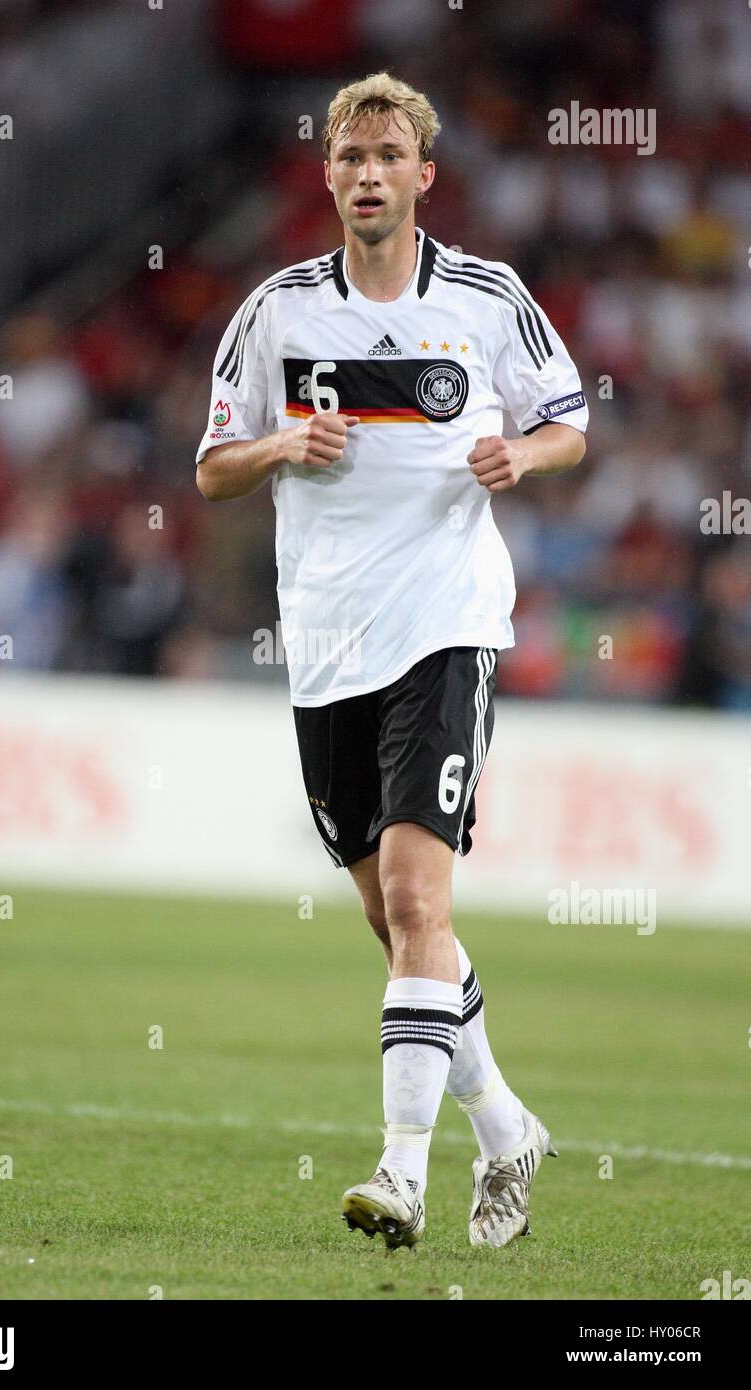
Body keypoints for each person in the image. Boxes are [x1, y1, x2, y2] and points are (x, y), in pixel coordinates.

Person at [195, 71, 587, 1251]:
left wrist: (525, 456)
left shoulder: (485, 296)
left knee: (421, 899)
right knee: (396, 926)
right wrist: (277, 443)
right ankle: (509, 1126)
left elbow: (570, 418)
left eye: (388, 156)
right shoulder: (275, 312)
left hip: (446, 625)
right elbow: (211, 467)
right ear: (328, 177)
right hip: (325, 643)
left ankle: (403, 1174)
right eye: (349, 157)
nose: (367, 174)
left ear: (424, 175)